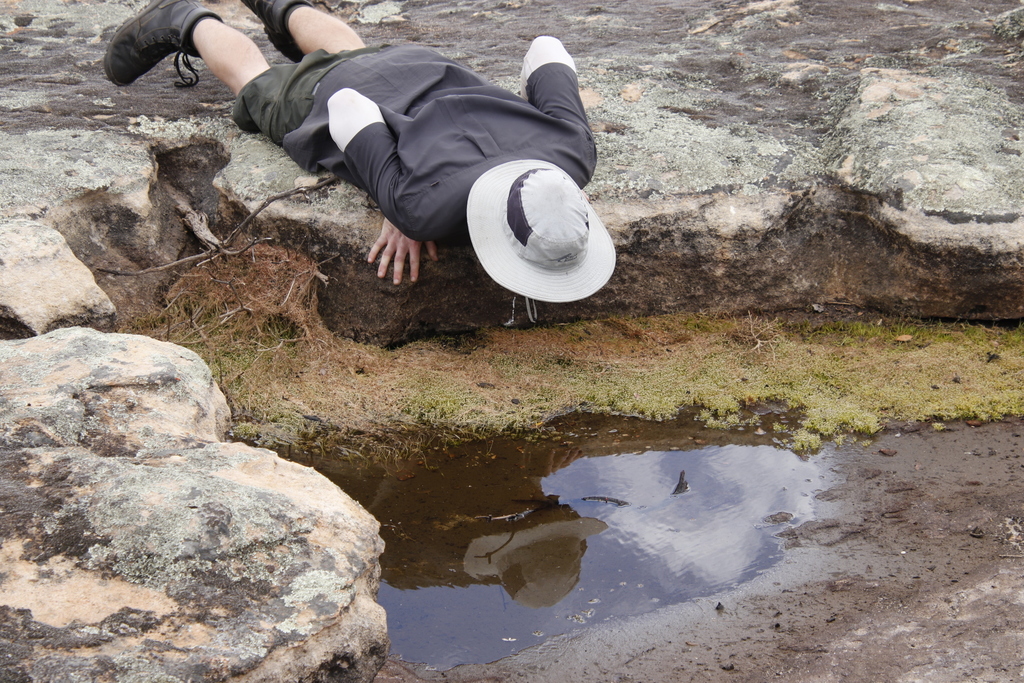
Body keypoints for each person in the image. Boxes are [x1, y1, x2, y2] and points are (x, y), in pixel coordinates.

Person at [103, 0, 616, 304]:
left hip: (420, 66)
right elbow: (348, 107)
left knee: (357, 53)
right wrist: (394, 200)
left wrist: (407, 197)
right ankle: (188, 20)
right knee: (256, 84)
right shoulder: (423, 209)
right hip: (343, 95)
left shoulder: (572, 153)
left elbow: (546, 49)